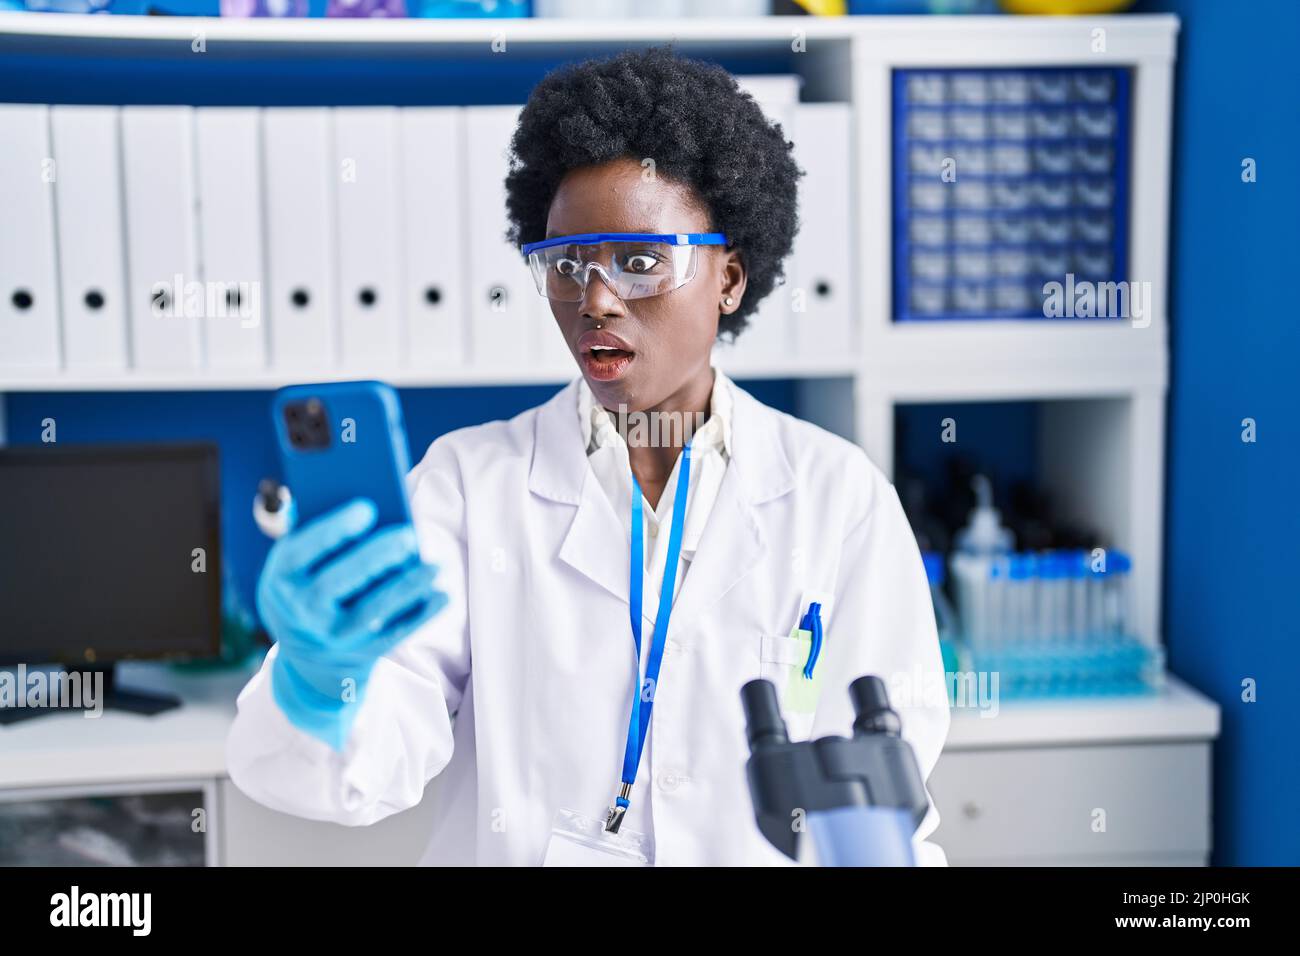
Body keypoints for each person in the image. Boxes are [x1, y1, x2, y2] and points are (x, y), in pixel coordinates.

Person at [227, 47, 950, 866]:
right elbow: (353, 771)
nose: (595, 299)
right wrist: (324, 681)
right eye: (567, 263)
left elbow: (884, 793)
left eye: (641, 262)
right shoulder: (470, 488)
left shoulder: (836, 497)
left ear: (731, 277)